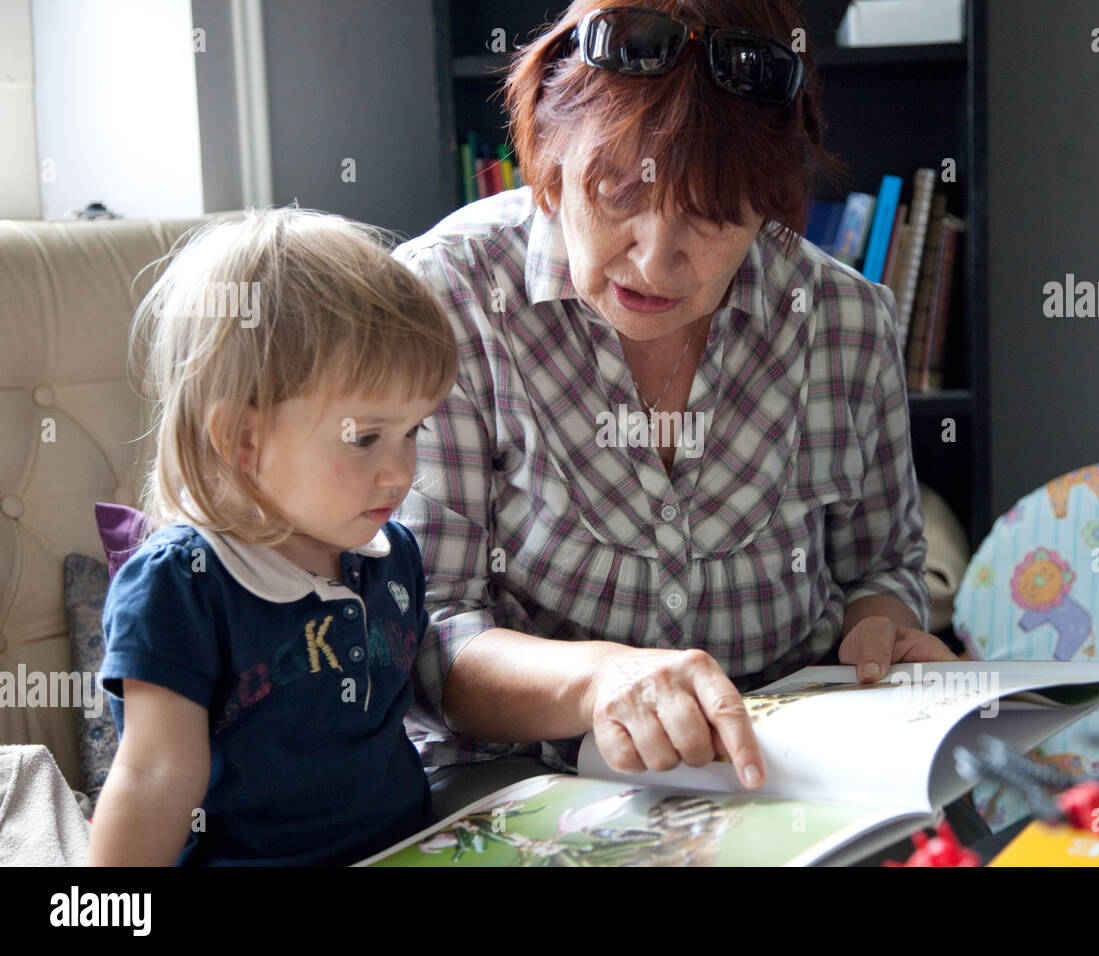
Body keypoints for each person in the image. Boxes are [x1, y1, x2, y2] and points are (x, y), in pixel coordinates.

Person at [395, 0, 959, 817]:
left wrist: (881, 628)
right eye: (619, 194)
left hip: (783, 779)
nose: (656, 260)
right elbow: (425, 629)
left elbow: (880, 565)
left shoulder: (844, 320)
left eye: (712, 215)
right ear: (549, 158)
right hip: (523, 782)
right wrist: (600, 681)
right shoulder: (449, 299)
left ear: (769, 205)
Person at [86, 208, 457, 865]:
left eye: (414, 431)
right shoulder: (181, 586)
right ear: (242, 441)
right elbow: (153, 780)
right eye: (366, 438)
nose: (401, 471)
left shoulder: (389, 554)